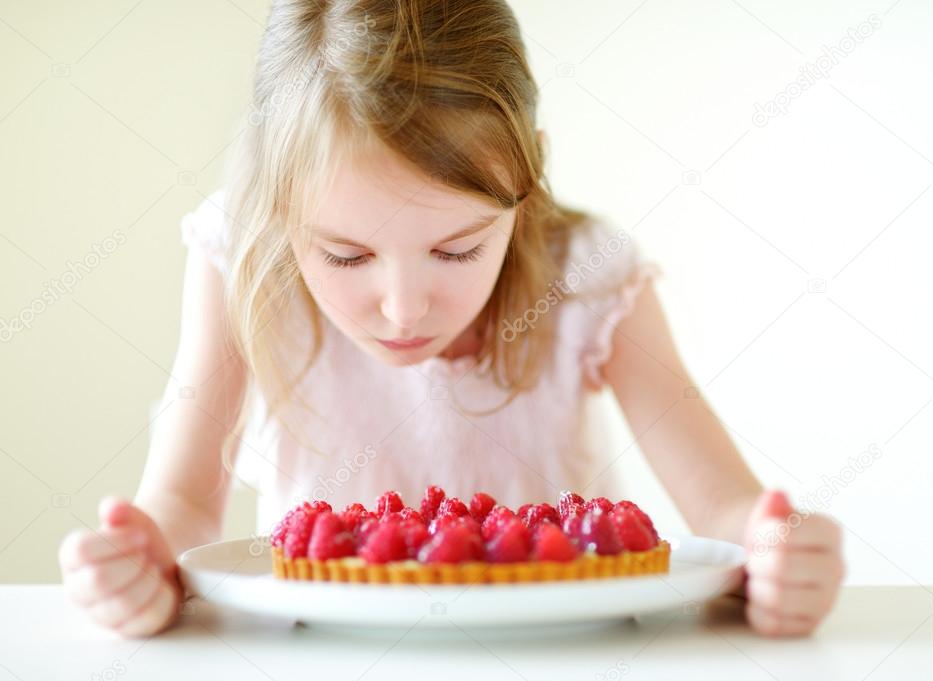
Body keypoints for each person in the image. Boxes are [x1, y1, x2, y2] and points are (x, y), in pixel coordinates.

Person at [58, 0, 844, 639]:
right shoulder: (239, 258)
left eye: (458, 249)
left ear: (528, 176)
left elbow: (724, 510)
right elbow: (185, 504)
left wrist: (777, 550)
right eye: (344, 255)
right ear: (274, 202)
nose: (402, 308)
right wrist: (140, 561)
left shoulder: (591, 278)